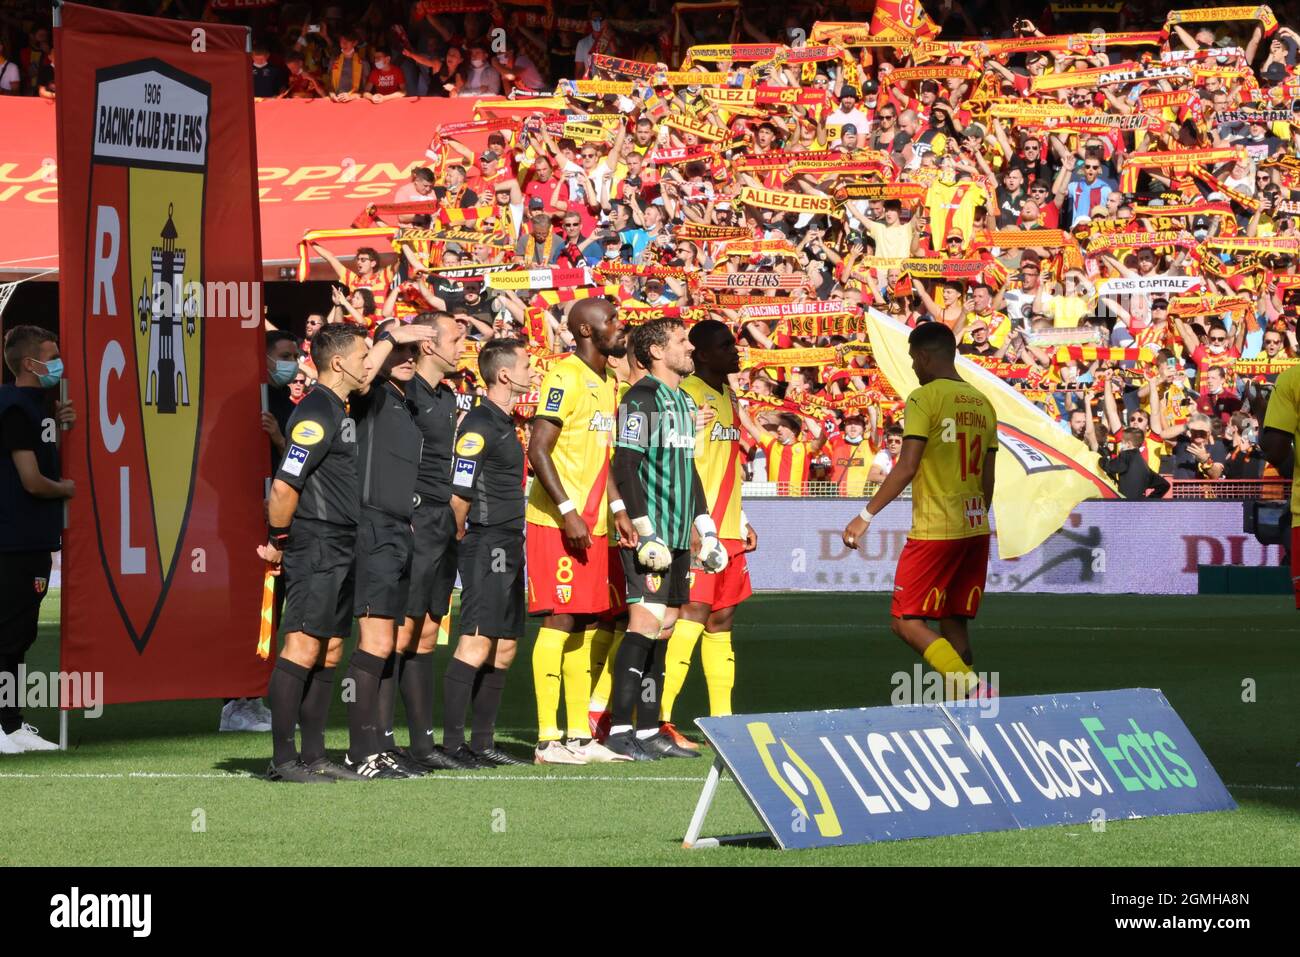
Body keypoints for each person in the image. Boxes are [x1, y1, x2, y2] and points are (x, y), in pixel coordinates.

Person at [841, 323, 997, 700]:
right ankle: (970, 712)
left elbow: (907, 466)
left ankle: (973, 689)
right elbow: (987, 479)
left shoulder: (923, 398)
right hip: (974, 528)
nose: (913, 367)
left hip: (936, 529)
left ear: (925, 355)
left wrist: (865, 515)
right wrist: (975, 517)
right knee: (952, 620)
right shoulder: (983, 403)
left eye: (913, 358)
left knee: (905, 620)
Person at [604, 318, 726, 760]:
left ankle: (651, 727)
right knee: (645, 623)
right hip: (651, 533)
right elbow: (624, 466)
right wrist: (644, 529)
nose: (690, 348)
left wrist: (705, 528)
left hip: (677, 535)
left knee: (667, 625)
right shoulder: (641, 400)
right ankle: (619, 732)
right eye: (680, 342)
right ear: (655, 351)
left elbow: (686, 468)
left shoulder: (680, 400)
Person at [260, 323, 372, 783]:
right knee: (302, 647)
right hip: (316, 543)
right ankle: (283, 760)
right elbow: (286, 485)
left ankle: (314, 755)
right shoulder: (316, 412)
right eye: (364, 356)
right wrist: (278, 542)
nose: (369, 364)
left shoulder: (338, 408)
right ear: (340, 362)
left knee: (328, 651)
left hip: (343, 542)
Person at [525, 299, 631, 765]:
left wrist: (619, 508)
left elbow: (602, 457)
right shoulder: (564, 376)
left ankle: (578, 736)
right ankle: (548, 740)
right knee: (560, 620)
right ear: (586, 329)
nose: (619, 324)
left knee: (587, 623)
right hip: (556, 523)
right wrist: (567, 510)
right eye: (611, 320)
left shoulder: (608, 380)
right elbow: (538, 448)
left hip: (596, 523)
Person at [343, 319, 438, 779]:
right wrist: (388, 337)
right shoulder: (370, 395)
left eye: (410, 352)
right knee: (374, 643)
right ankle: (360, 751)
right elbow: (360, 380)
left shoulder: (405, 401)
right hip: (372, 527)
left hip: (400, 528)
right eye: (397, 351)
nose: (405, 358)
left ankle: (380, 744)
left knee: (390, 644)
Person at [659, 320, 757, 750]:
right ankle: (659, 718)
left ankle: (723, 721)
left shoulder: (729, 397)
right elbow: (679, 463)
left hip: (730, 527)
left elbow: (726, 463)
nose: (734, 351)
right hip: (700, 527)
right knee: (691, 616)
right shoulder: (689, 396)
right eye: (724, 346)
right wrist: (696, 526)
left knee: (721, 621)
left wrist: (744, 516)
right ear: (700, 354)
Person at [441, 339, 533, 765]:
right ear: (505, 375)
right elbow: (460, 489)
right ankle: (454, 745)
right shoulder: (478, 424)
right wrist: (462, 533)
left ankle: (483, 743)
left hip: (510, 541)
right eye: (527, 365)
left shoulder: (503, 420)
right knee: (476, 642)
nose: (533, 372)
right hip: (486, 540)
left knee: (505, 645)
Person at [392, 312, 472, 771]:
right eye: (456, 338)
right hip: (413, 522)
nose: (463, 346)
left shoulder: (446, 395)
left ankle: (422, 744)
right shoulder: (403, 395)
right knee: (398, 633)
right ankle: (381, 740)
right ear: (427, 345)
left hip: (442, 522)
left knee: (425, 634)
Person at [0, 326, 75, 753]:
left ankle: (11, 723)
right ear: (31, 362)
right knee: (7, 634)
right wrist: (67, 488)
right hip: (13, 539)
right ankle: (4, 723)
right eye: (53, 355)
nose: (59, 363)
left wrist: (64, 428)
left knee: (19, 634)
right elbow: (32, 479)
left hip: (31, 538)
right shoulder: (14, 408)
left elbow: (44, 459)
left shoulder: (40, 406)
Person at [1100, 428, 1171, 500]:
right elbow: (1164, 485)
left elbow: (1110, 467)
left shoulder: (1126, 456)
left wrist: (1100, 459)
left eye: (1122, 442)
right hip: (1139, 507)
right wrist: (1150, 500)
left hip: (1125, 506)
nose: (1120, 445)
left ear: (1128, 444)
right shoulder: (1144, 466)